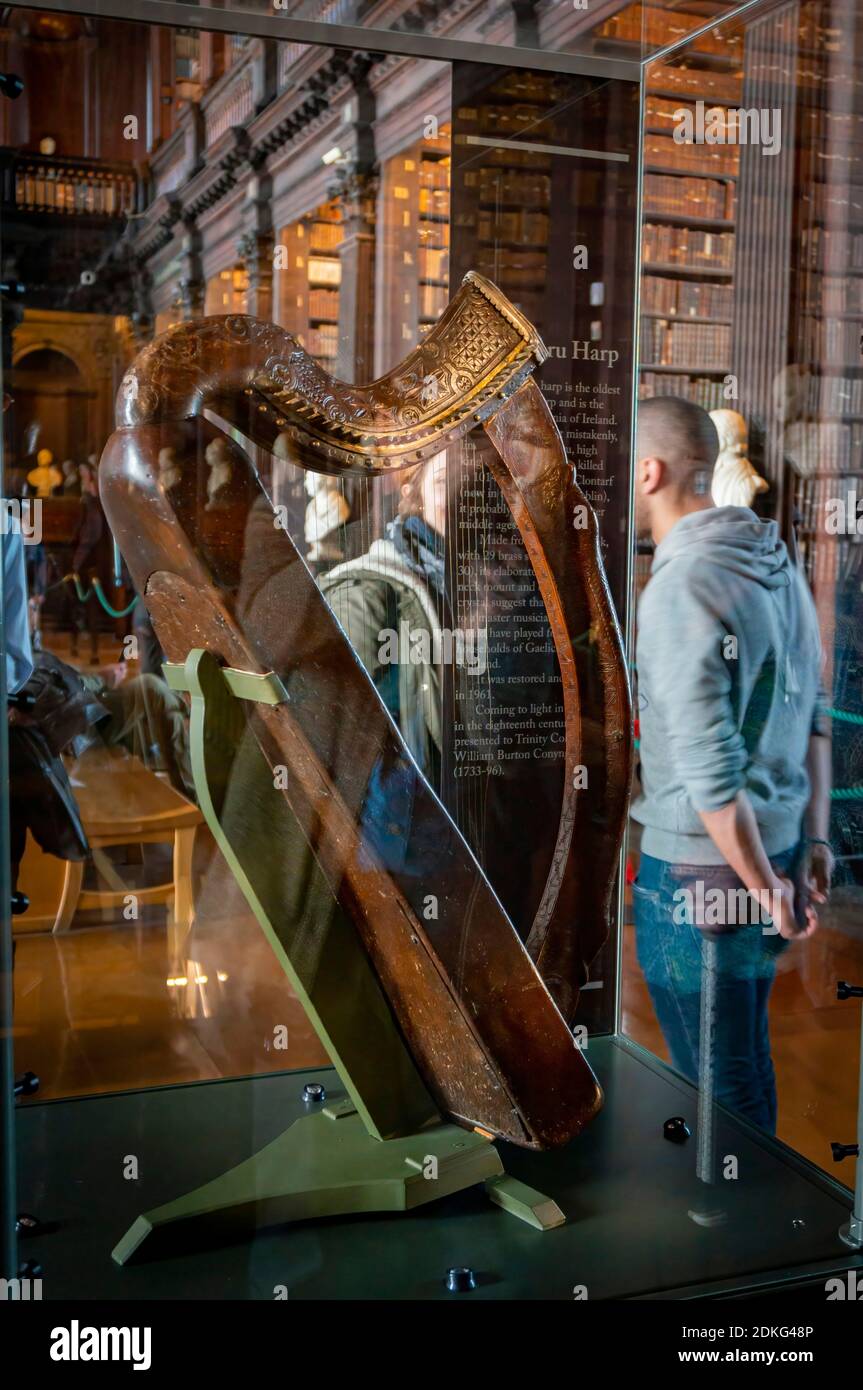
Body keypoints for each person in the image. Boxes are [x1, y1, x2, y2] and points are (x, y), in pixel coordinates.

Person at [631, 395, 832, 1133]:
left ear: (648, 473)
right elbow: (811, 718)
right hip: (768, 852)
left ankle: (729, 1231)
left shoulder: (679, 587)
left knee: (713, 1085)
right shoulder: (774, 561)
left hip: (701, 871)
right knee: (740, 1064)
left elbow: (711, 777)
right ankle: (756, 1226)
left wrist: (765, 889)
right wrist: (807, 846)